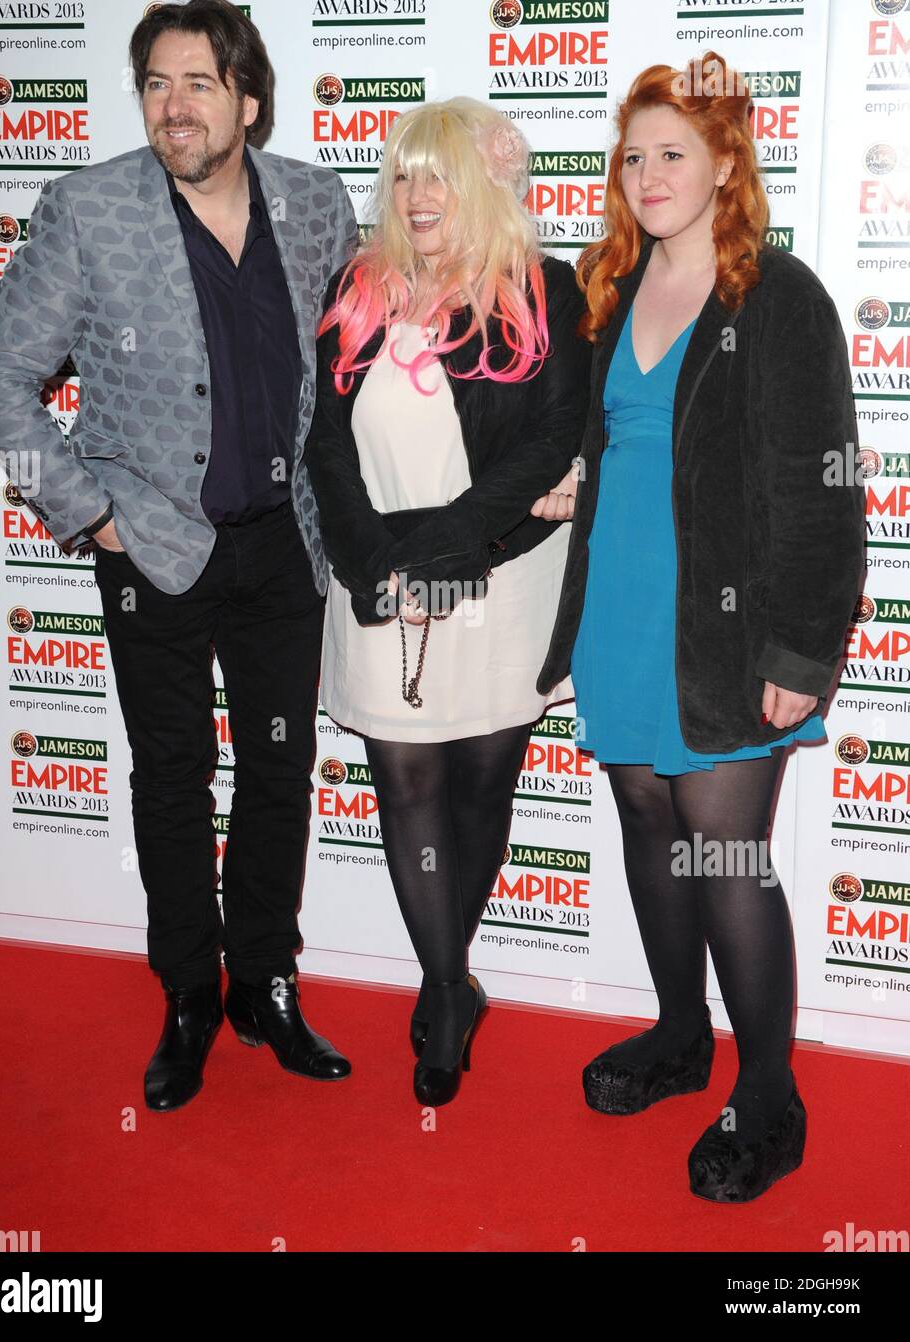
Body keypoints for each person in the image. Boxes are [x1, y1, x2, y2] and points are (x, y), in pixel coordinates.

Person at [0, 0, 360, 1111]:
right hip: (155, 551)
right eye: (154, 85)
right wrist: (88, 513)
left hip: (285, 548)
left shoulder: (318, 206)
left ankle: (263, 983)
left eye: (196, 84)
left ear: (249, 99)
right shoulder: (91, 210)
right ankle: (188, 992)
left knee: (279, 769)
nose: (172, 108)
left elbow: (370, 356)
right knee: (172, 777)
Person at [531, 53, 865, 1201]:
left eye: (672, 152)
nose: (646, 174)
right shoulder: (609, 291)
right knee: (643, 826)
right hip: (622, 609)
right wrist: (572, 486)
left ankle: (767, 1097)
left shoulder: (777, 295)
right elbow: (615, 441)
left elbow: (824, 491)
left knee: (725, 854)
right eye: (632, 156)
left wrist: (797, 653)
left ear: (725, 166)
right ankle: (681, 1036)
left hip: (727, 630)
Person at [304, 98, 591, 1107]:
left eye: (435, 176)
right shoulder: (359, 286)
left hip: (499, 575)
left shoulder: (538, 288)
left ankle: (444, 984)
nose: (414, 196)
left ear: (479, 185)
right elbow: (324, 442)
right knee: (407, 787)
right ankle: (444, 986)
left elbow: (550, 440)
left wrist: (432, 545)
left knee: (478, 785)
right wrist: (367, 554)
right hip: (379, 580)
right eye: (401, 177)